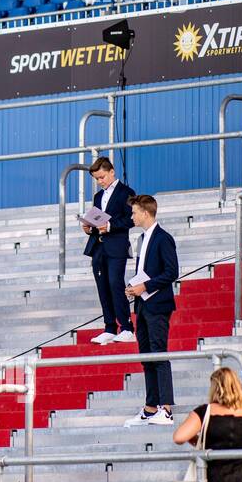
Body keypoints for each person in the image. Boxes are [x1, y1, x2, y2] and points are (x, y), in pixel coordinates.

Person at [122, 195, 179, 427]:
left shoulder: (163, 238)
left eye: (134, 212)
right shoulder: (142, 239)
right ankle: (150, 407)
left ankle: (165, 409)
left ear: (145, 212)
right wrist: (133, 289)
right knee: (146, 356)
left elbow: (171, 271)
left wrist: (144, 286)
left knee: (158, 353)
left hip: (158, 304)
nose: (132, 216)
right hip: (143, 304)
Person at [83, 157, 137, 345]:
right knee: (102, 287)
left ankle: (127, 327)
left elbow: (131, 219)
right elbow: (97, 218)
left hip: (116, 246)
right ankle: (109, 327)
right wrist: (89, 226)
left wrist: (110, 225)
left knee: (115, 283)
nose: (100, 181)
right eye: (97, 179)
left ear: (112, 171)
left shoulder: (127, 192)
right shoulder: (98, 196)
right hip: (98, 246)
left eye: (102, 177)